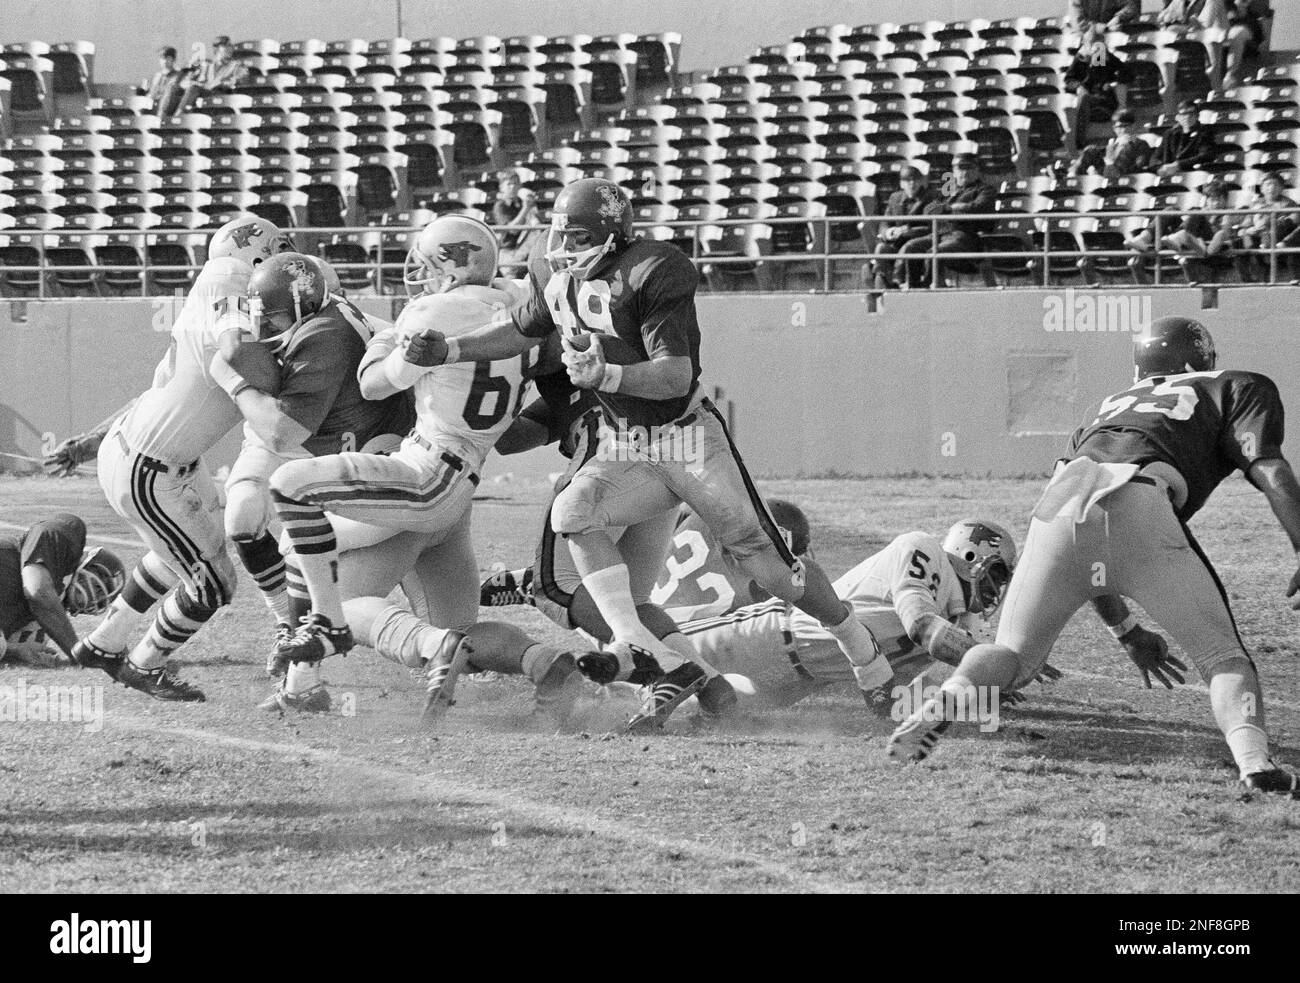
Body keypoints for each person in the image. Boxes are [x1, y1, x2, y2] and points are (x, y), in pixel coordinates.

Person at [401, 176, 893, 724]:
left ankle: (861, 648)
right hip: (625, 442)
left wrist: (607, 375)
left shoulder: (654, 269)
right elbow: (521, 330)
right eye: (559, 236)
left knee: (774, 572)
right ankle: (634, 641)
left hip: (687, 436)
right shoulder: (553, 271)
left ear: (612, 236)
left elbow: (674, 376)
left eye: (578, 237)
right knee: (573, 511)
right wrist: (450, 350)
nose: (564, 248)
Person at [888, 317, 1300, 801]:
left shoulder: (1105, 409)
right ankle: (1256, 766)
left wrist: (1126, 631)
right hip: (1142, 496)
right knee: (1222, 657)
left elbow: (1093, 539)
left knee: (1013, 656)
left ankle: (947, 699)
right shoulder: (1236, 385)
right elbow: (1270, 469)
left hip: (1058, 508)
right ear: (1202, 358)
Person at [266, 215, 539, 714]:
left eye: (428, 265)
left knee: (290, 490)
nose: (420, 276)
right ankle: (548, 664)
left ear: (450, 267)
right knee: (460, 628)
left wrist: (386, 338)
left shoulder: (432, 311)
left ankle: (322, 632)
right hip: (463, 484)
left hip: (424, 473)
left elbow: (373, 384)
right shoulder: (520, 306)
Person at [70, 214, 289, 702]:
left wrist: (92, 438)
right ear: (256, 252)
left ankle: (103, 643)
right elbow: (235, 348)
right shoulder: (230, 277)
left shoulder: (212, 287)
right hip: (152, 468)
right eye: (278, 254)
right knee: (214, 583)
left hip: (155, 456)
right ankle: (144, 664)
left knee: (180, 554)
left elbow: (159, 388)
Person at [217, 254, 414, 670]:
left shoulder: (326, 333)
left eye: (272, 316)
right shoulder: (327, 318)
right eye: (259, 316)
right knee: (444, 613)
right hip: (380, 458)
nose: (263, 326)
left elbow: (282, 433)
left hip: (382, 467)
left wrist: (235, 383)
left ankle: (301, 665)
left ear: (306, 305)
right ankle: (297, 653)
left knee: (310, 561)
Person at [0, 515, 124, 669]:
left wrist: (15, 652)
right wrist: (78, 654)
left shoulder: (43, 622)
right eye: (97, 587)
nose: (94, 597)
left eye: (100, 597)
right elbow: (38, 591)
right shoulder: (67, 533)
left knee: (27, 643)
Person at [896, 154, 996, 289]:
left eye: (968, 167)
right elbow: (929, 210)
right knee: (911, 247)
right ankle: (913, 288)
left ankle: (930, 289)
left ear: (977, 170)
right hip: (941, 234)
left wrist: (950, 208)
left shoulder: (985, 189)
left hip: (966, 236)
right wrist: (942, 207)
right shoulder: (949, 191)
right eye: (959, 168)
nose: (964, 172)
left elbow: (978, 207)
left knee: (933, 253)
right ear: (954, 171)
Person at [1064, 26, 1133, 151]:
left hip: (1105, 100)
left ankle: (1078, 142)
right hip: (1086, 100)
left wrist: (1112, 83)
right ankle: (1073, 140)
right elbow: (1068, 80)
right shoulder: (1080, 58)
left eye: (1097, 43)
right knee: (1080, 99)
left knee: (1085, 99)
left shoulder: (1105, 57)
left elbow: (1128, 74)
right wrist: (1079, 85)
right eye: (1090, 43)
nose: (1094, 47)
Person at [872, 165, 937, 291]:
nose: (912, 183)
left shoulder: (932, 197)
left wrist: (908, 231)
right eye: (908, 180)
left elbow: (932, 227)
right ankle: (880, 281)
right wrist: (888, 232)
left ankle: (897, 281)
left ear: (921, 181)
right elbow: (885, 223)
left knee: (907, 248)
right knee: (881, 248)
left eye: (915, 180)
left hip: (921, 242)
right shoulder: (894, 198)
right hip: (897, 242)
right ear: (902, 184)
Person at [1236, 172, 1300, 282]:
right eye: (1268, 184)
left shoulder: (1289, 204)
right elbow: (1244, 227)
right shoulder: (1255, 205)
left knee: (1282, 225)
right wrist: (1250, 230)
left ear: (1281, 188)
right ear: (1262, 188)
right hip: (1259, 241)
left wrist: (1273, 224)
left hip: (1280, 245)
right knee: (1238, 243)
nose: (1272, 188)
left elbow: (1294, 220)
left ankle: (1295, 277)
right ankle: (1247, 281)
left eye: (1275, 184)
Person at [1071, 109, 1151, 179]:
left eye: (1126, 126)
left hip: (1124, 178)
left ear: (1133, 126)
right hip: (1106, 174)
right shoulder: (1112, 145)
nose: (1123, 130)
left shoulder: (1140, 144)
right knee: (1090, 150)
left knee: (1127, 148)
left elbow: (1137, 168)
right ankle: (1072, 178)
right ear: (1114, 129)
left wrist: (1110, 161)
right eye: (1119, 127)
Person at [489, 170, 539, 277]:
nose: (513, 187)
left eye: (516, 183)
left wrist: (531, 208)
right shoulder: (500, 206)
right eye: (509, 184)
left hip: (524, 250)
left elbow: (535, 223)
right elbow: (513, 230)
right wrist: (526, 209)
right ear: (501, 187)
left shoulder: (523, 203)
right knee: (511, 277)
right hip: (507, 252)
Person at [1152, 101, 1219, 179]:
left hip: (1192, 175)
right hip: (1169, 175)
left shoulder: (1205, 132)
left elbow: (1206, 155)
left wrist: (1178, 165)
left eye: (1191, 113)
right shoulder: (1169, 134)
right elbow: (1155, 157)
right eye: (1183, 114)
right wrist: (1160, 168)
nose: (1187, 117)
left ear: (1197, 116)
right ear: (1178, 117)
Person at [141, 46, 184, 117]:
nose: (165, 61)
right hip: (154, 105)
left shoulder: (178, 76)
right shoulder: (157, 76)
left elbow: (173, 93)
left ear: (173, 60)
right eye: (162, 58)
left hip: (168, 108)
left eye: (168, 59)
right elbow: (152, 93)